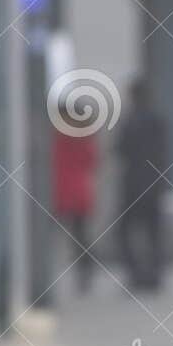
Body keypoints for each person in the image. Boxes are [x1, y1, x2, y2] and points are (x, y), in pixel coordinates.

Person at [116, 78, 168, 291]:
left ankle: (138, 274)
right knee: (153, 232)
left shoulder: (131, 122)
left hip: (135, 185)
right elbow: (164, 154)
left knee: (124, 231)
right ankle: (152, 275)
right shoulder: (157, 121)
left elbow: (120, 149)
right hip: (153, 184)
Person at [51, 94, 100, 293]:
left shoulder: (60, 137)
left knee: (78, 238)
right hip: (71, 192)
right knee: (80, 238)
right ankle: (84, 274)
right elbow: (94, 162)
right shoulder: (85, 136)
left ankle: (84, 274)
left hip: (68, 193)